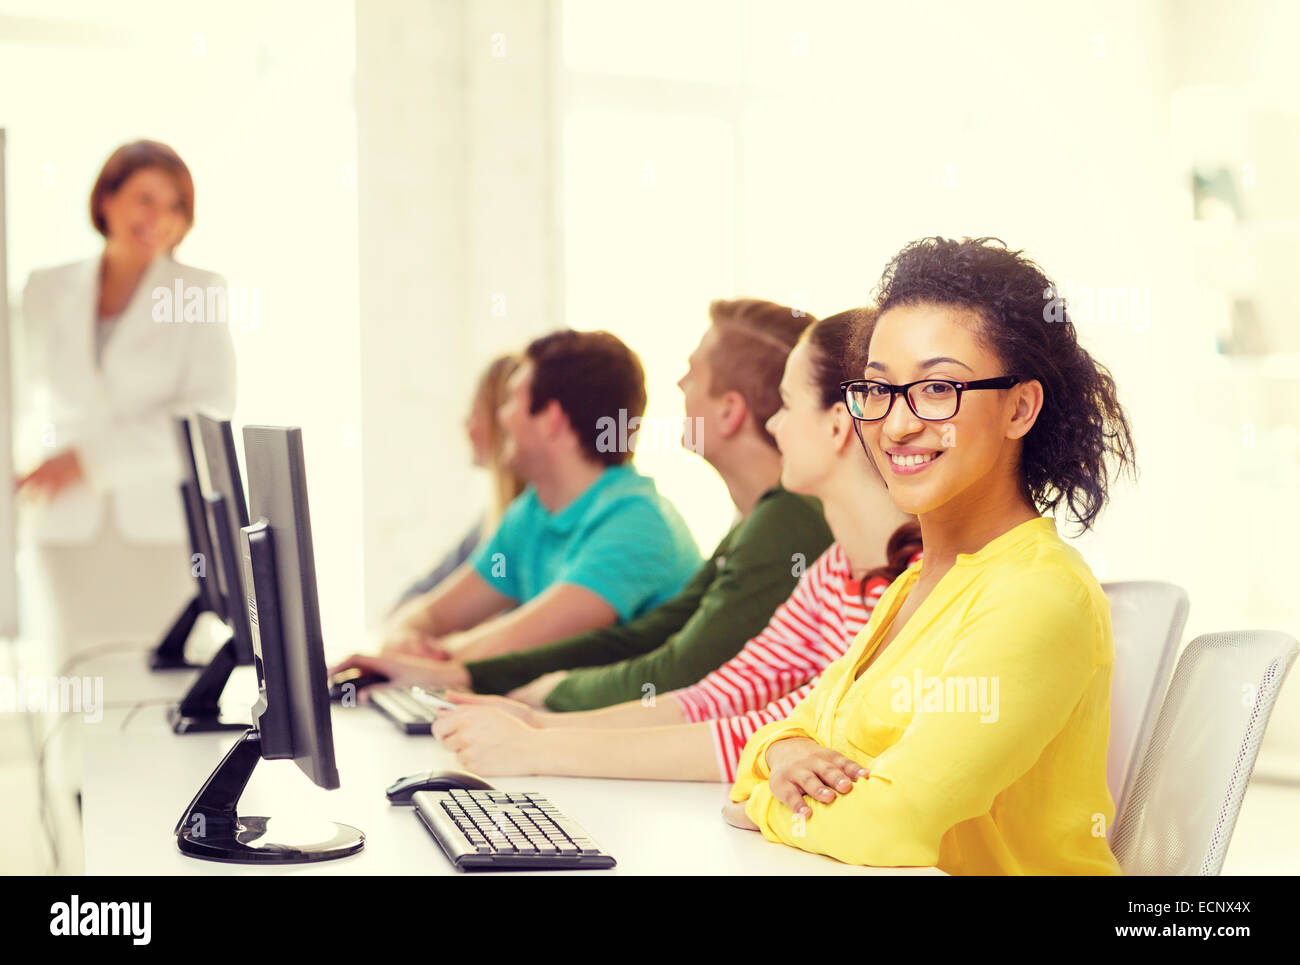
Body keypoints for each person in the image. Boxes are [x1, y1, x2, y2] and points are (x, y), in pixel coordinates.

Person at [723, 237, 1136, 876]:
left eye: (938, 388)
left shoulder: (1037, 596)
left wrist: (765, 805)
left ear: (1020, 407)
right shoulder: (916, 582)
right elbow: (769, 744)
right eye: (880, 390)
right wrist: (780, 761)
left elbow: (894, 827)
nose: (896, 425)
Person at [431, 309, 922, 784]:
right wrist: (537, 725)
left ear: (837, 426)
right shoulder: (833, 571)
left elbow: (788, 735)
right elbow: (722, 696)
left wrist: (537, 744)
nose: (774, 425)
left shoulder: (910, 586)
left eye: (788, 405)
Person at [350, 299, 839, 708]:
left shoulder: (664, 522)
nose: (678, 387)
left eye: (692, 374)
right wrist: (452, 670)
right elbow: (645, 640)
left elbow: (677, 672)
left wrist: (538, 698)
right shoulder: (755, 524)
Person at [333, 329, 702, 671]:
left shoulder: (638, 524)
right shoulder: (531, 513)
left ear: (551, 419)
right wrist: (403, 636)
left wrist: (415, 657)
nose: (501, 417)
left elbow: (505, 647)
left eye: (511, 399)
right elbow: (431, 615)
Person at [16, 140, 236, 655]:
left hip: (161, 531)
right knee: (74, 679)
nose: (159, 218)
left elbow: (207, 411)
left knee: (160, 684)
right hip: (63, 530)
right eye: (145, 199)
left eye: (175, 206)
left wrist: (87, 460)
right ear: (107, 199)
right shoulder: (44, 290)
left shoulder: (199, 291)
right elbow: (17, 397)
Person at [390, 353, 524, 610]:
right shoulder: (488, 526)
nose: (466, 426)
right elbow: (411, 600)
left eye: (475, 414)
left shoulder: (528, 528)